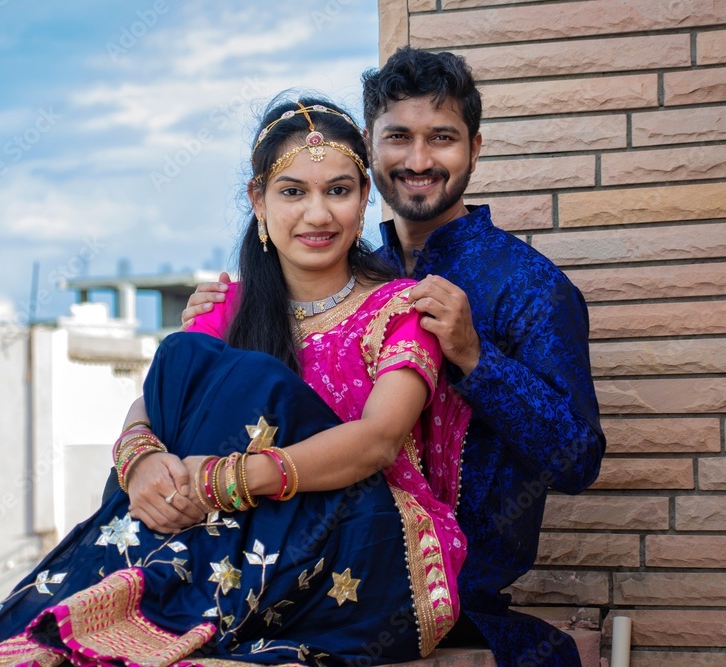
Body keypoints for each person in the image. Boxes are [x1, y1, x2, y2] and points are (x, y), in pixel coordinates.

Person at [0, 96, 472, 667]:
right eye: (293, 191)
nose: (318, 214)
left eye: (338, 190)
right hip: (236, 541)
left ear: (363, 199)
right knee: (181, 356)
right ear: (259, 201)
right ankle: (124, 610)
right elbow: (154, 408)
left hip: (367, 549)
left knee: (248, 377)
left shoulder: (401, 309)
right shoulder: (225, 308)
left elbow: (377, 441)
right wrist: (143, 462)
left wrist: (219, 483)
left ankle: (113, 609)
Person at [180, 49, 606, 667]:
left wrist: (477, 360)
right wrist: (211, 329)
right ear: (369, 151)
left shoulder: (527, 286)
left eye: (443, 139)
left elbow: (577, 460)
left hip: (449, 600)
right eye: (398, 137)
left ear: (476, 149)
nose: (418, 160)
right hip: (295, 574)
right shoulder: (337, 276)